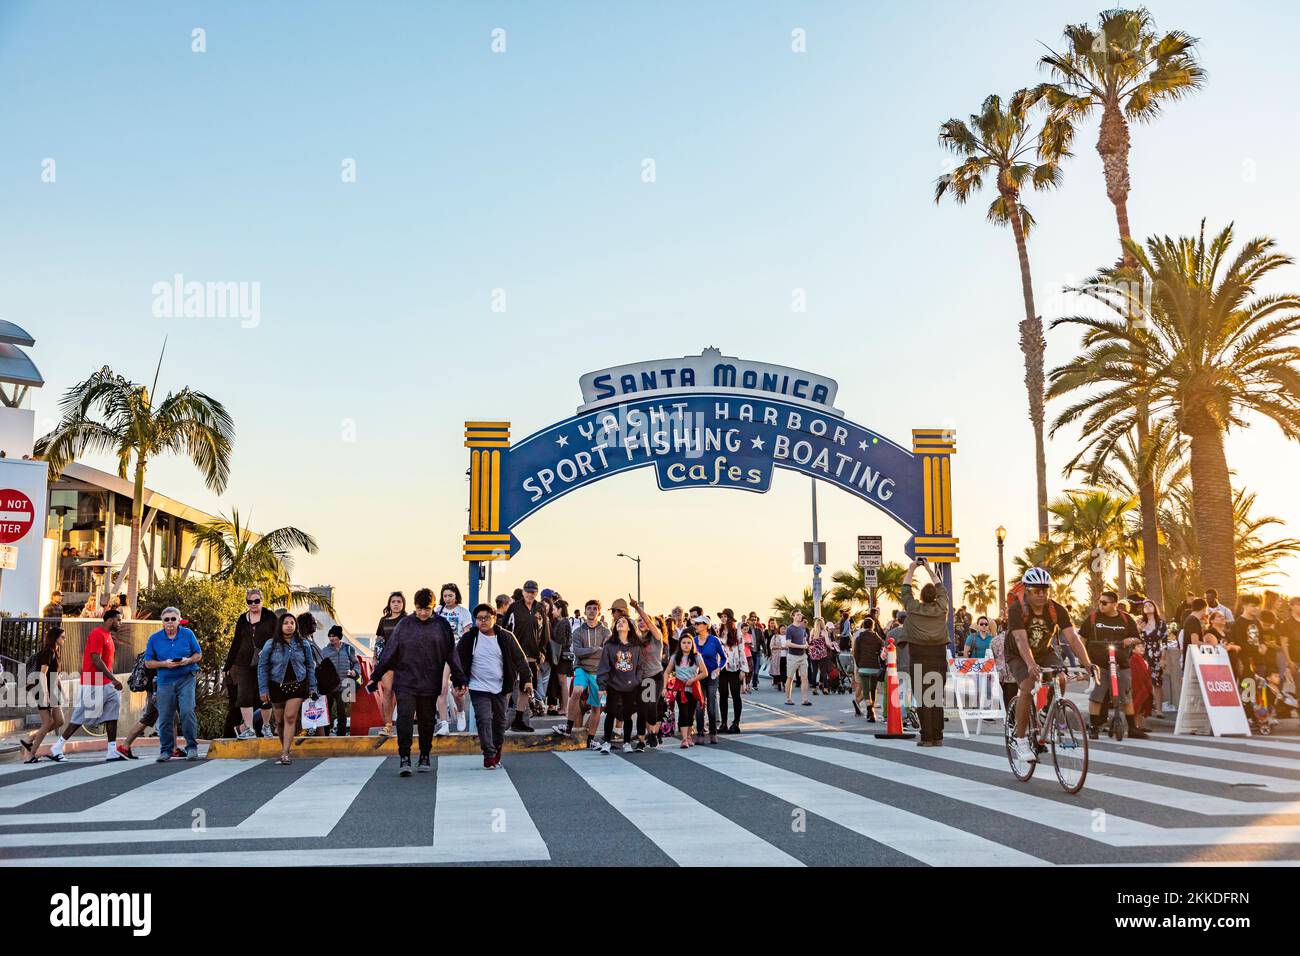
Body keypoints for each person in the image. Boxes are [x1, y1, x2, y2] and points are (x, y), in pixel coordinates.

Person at [367, 587, 463, 776]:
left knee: (427, 721)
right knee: (404, 719)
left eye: (427, 609)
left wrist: (459, 677)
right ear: (414, 607)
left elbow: (451, 653)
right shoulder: (405, 624)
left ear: (434, 607)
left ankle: (425, 755)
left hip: (430, 681)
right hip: (405, 681)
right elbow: (389, 652)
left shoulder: (442, 626)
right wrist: (376, 676)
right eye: (419, 609)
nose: (422, 613)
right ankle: (404, 757)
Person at [1005, 568, 1093, 764]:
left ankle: (1045, 713)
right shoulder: (1017, 609)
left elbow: (1072, 637)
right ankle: (1020, 740)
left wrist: (1087, 665)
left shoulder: (1056, 609)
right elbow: (1020, 639)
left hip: (1044, 651)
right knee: (1027, 686)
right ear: (1027, 591)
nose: (1042, 594)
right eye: (1037, 590)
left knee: (1061, 677)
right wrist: (1030, 664)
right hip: (1018, 654)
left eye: (1046, 590)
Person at [47, 608, 126, 762]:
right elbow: (97, 660)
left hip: (106, 682)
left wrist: (112, 679)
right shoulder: (97, 634)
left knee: (113, 713)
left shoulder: (108, 636)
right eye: (119, 620)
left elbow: (107, 662)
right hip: (93, 680)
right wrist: (114, 679)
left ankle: (111, 750)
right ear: (110, 620)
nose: (120, 623)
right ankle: (57, 748)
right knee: (80, 716)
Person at [457, 603, 530, 769]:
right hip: (478, 686)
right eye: (479, 618)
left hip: (501, 687)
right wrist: (458, 681)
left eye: (486, 618)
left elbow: (520, 659)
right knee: (483, 719)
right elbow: (458, 661)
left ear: (494, 618)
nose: (483, 621)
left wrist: (527, 679)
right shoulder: (469, 638)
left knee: (499, 721)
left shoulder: (506, 637)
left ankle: (496, 747)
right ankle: (488, 755)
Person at [901, 558, 952, 747]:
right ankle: (938, 736)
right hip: (938, 655)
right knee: (936, 697)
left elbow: (905, 591)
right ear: (935, 597)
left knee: (923, 697)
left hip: (919, 656)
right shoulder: (941, 609)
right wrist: (930, 569)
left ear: (921, 597)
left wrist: (912, 569)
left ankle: (926, 737)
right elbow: (942, 589)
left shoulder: (913, 609)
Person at [1081, 590, 1146, 739]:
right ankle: (1094, 727)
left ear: (1115, 604)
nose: (1101, 605)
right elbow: (1082, 639)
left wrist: (1130, 640)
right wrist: (1084, 660)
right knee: (1097, 695)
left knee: (1125, 695)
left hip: (1121, 663)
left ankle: (1132, 728)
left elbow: (1137, 638)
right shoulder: (1092, 618)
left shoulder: (1126, 619)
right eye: (1100, 602)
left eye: (1105, 603)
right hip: (1099, 664)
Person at [258, 611, 318, 765]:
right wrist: (263, 690)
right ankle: (284, 746)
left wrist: (312, 687)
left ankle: (285, 753)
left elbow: (310, 666)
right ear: (280, 626)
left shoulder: (303, 644)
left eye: (292, 623)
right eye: (286, 623)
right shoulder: (270, 644)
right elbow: (262, 667)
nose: (289, 626)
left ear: (296, 625)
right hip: (276, 685)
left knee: (290, 717)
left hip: (298, 684)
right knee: (279, 722)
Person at [145, 606, 202, 762]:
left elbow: (198, 654)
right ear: (162, 622)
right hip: (165, 681)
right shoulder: (154, 639)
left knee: (187, 711)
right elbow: (148, 663)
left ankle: (192, 747)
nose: (170, 622)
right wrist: (164, 664)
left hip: (186, 678)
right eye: (166, 619)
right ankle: (166, 750)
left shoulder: (188, 634)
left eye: (173, 619)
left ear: (179, 620)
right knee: (164, 717)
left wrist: (188, 660)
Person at [223, 588, 279, 741]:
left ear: (262, 600)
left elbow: (277, 637)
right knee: (244, 695)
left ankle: (266, 726)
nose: (253, 604)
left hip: (265, 662)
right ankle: (249, 727)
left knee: (265, 695)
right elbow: (236, 642)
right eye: (250, 602)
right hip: (244, 661)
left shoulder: (270, 617)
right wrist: (227, 666)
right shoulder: (242, 619)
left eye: (256, 601)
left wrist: (268, 650)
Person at [557, 599, 610, 747]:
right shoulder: (578, 631)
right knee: (577, 691)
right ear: (585, 611)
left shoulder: (606, 631)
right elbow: (578, 652)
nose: (592, 611)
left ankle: (591, 740)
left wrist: (598, 651)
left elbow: (606, 653)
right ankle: (568, 726)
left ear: (598, 612)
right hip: (581, 668)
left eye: (594, 609)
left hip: (598, 673)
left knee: (596, 707)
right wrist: (595, 649)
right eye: (589, 608)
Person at [504, 580, 548, 731]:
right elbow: (505, 629)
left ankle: (518, 720)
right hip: (514, 653)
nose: (530, 594)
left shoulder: (540, 608)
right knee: (508, 685)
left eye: (533, 591)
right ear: (523, 592)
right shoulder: (514, 607)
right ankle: (500, 718)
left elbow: (545, 632)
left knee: (526, 687)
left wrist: (542, 651)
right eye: (527, 591)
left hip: (532, 654)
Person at [596, 614, 643, 753]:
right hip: (613, 684)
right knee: (610, 713)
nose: (620, 623)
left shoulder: (636, 646)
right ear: (615, 627)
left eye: (624, 622)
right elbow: (603, 666)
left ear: (629, 627)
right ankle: (606, 742)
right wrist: (602, 686)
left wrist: (637, 681)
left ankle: (627, 743)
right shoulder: (609, 646)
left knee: (627, 715)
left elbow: (640, 666)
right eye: (618, 622)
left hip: (631, 685)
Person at [19, 627, 65, 762]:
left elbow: (54, 675)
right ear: (55, 638)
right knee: (47, 723)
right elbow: (42, 674)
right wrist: (45, 693)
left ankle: (30, 739)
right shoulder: (48, 652)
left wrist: (61, 689)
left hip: (52, 691)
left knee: (59, 721)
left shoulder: (55, 652)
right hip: (44, 690)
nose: (64, 639)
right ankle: (30, 755)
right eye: (62, 637)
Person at [435, 583, 474, 735]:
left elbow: (467, 634)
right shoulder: (438, 611)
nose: (447, 598)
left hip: (457, 653)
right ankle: (444, 723)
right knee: (442, 688)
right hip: (441, 654)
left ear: (456, 596)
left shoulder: (463, 612)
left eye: (450, 595)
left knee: (457, 691)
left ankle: (460, 712)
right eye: (445, 596)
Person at [629, 597, 666, 748]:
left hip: (655, 676)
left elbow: (649, 623)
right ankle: (642, 740)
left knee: (650, 705)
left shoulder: (657, 638)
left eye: (643, 620)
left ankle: (652, 733)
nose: (641, 622)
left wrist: (637, 608)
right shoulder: (636, 640)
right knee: (641, 709)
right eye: (639, 621)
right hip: (640, 678)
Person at [373, 591, 407, 737]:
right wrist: (375, 658)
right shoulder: (384, 620)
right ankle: (387, 726)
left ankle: (403, 724)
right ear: (389, 604)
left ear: (403, 604)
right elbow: (379, 640)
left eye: (399, 601)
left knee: (403, 694)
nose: (396, 604)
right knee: (387, 691)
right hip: (387, 661)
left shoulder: (407, 619)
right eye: (393, 601)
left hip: (404, 661)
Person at [665, 632, 706, 747]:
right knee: (683, 712)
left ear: (692, 644)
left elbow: (704, 672)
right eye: (684, 642)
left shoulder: (697, 656)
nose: (686, 645)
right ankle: (684, 739)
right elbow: (667, 671)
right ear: (680, 644)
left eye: (689, 643)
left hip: (693, 688)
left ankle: (689, 736)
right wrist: (665, 687)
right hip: (680, 688)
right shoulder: (675, 657)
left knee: (690, 713)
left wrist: (693, 679)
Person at [320, 625, 359, 737]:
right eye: (330, 636)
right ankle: (326, 733)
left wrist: (355, 672)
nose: (332, 638)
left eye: (334, 636)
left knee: (343, 711)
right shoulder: (325, 651)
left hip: (346, 684)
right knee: (327, 711)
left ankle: (341, 734)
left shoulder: (349, 649)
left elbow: (356, 663)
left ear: (339, 637)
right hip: (329, 686)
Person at [692, 614, 725, 743]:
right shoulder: (693, 640)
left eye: (699, 623)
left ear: (706, 625)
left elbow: (724, 657)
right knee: (699, 705)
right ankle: (700, 733)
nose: (696, 626)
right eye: (695, 624)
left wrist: (718, 669)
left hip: (712, 676)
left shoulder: (714, 640)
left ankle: (713, 732)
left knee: (711, 706)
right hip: (698, 676)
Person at [718, 613, 748, 733]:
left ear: (730, 619)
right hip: (722, 667)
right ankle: (723, 723)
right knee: (723, 695)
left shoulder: (737, 632)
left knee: (736, 695)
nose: (723, 619)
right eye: (722, 617)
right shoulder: (719, 632)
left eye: (726, 617)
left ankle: (736, 723)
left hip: (734, 667)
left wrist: (743, 669)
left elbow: (741, 650)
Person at [1138, 600, 1168, 716]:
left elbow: (1164, 643)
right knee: (1143, 682)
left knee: (1157, 682)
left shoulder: (1161, 623)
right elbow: (1136, 639)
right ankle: (1144, 709)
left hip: (1156, 655)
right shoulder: (1141, 622)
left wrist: (1163, 659)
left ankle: (1159, 710)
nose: (1148, 607)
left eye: (1150, 605)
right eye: (1145, 606)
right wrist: (1139, 629)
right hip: (1143, 654)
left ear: (1155, 608)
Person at [852, 619, 884, 721]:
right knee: (873, 689)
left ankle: (869, 710)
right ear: (872, 626)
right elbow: (882, 651)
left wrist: (859, 664)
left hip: (863, 667)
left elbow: (855, 653)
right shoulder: (877, 638)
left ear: (863, 626)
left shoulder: (859, 638)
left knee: (865, 690)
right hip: (874, 667)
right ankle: (872, 709)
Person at [547, 598, 573, 715]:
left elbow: (560, 640)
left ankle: (564, 708)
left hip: (561, 656)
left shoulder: (563, 622)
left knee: (562, 683)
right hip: (562, 655)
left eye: (554, 609)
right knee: (562, 683)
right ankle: (563, 707)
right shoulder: (562, 621)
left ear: (560, 610)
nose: (552, 612)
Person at [784, 611, 811, 706]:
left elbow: (804, 640)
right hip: (792, 656)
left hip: (803, 656)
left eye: (800, 614)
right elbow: (788, 643)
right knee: (790, 678)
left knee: (804, 678)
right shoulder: (789, 629)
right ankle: (788, 699)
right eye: (798, 615)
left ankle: (805, 699)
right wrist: (801, 647)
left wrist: (807, 645)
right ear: (793, 616)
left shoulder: (802, 628)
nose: (800, 616)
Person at [808, 618, 830, 694]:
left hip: (813, 654)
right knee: (823, 672)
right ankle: (826, 688)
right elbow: (827, 643)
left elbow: (810, 641)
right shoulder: (824, 632)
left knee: (814, 671)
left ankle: (814, 688)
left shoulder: (812, 631)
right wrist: (832, 646)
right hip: (822, 654)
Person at [769, 625, 785, 690]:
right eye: (782, 629)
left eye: (784, 629)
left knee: (784, 671)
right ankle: (778, 683)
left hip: (786, 656)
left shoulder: (788, 637)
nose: (783, 630)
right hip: (777, 656)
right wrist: (780, 647)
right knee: (778, 670)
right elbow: (771, 646)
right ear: (779, 629)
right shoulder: (775, 636)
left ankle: (784, 683)